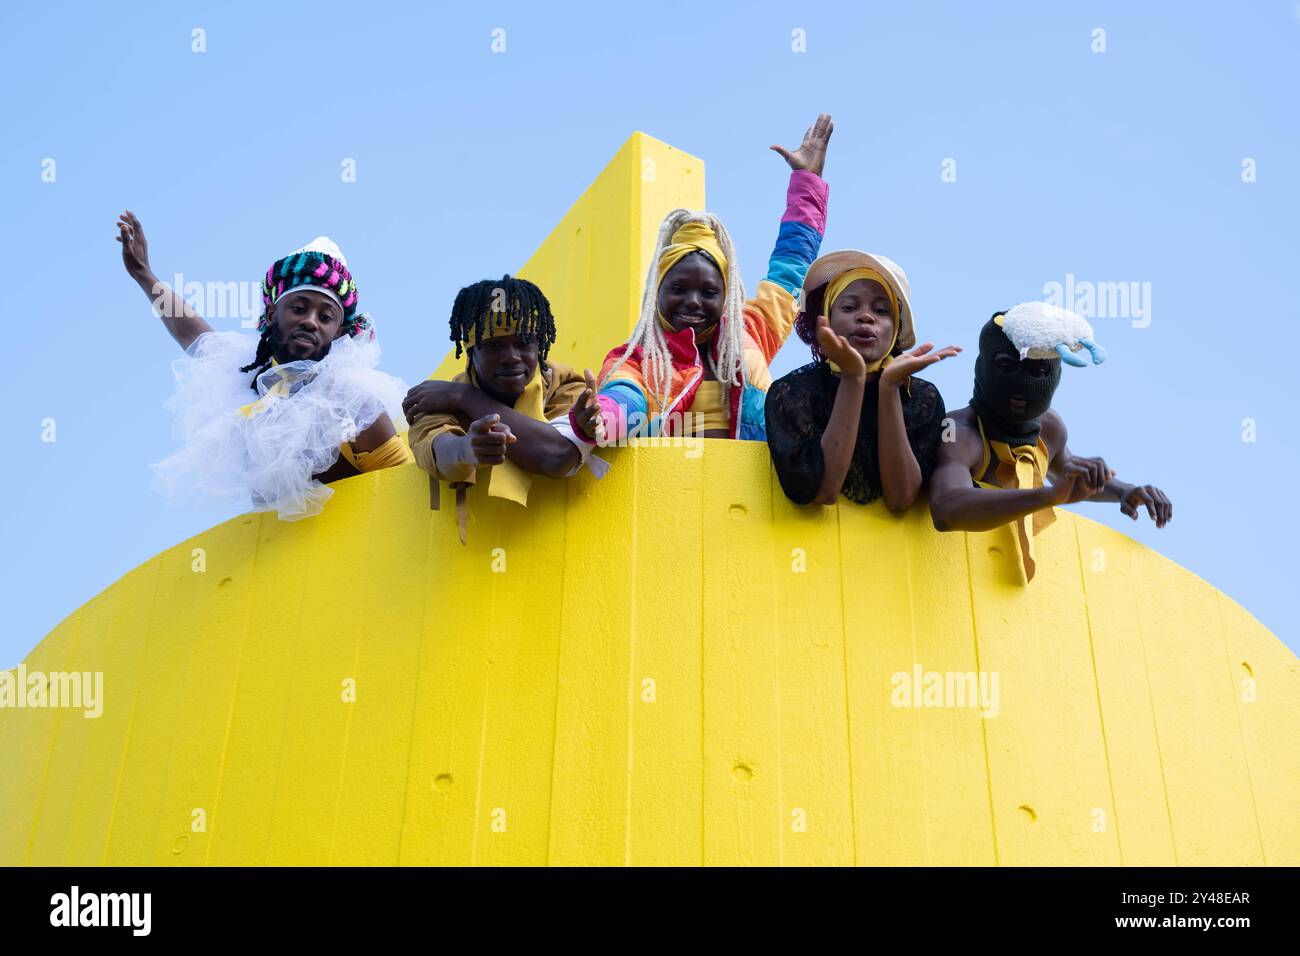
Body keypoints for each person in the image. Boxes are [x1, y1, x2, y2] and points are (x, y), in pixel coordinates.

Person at [117, 211, 411, 519]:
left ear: (338, 332)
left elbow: (405, 490)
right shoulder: (248, 380)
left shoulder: (353, 403)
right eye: (299, 308)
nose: (310, 322)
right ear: (271, 315)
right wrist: (144, 275)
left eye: (325, 317)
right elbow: (194, 336)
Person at [570, 114, 834, 446]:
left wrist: (807, 181)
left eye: (709, 291)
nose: (693, 301)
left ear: (727, 297)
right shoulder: (636, 359)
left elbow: (791, 266)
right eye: (679, 288)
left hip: (751, 495)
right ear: (656, 292)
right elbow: (624, 398)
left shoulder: (750, 334)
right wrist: (600, 415)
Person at [928, 302, 1172, 580]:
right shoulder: (956, 430)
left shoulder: (1049, 428)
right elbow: (947, 507)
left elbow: (1066, 471)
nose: (1021, 384)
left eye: (1039, 372)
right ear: (982, 367)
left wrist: (1124, 491)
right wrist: (1046, 497)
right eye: (1006, 366)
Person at [403, 276, 608, 540]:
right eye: (494, 345)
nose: (511, 356)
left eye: (524, 343)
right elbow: (440, 454)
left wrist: (468, 398)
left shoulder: (564, 384)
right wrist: (467, 450)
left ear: (539, 345)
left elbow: (558, 456)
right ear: (470, 350)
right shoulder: (436, 400)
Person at [765, 251, 960, 510]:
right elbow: (823, 491)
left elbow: (901, 499)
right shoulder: (791, 392)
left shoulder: (922, 397)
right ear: (826, 317)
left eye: (881, 310)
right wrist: (853, 377)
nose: (866, 316)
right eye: (849, 307)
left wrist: (890, 387)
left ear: (896, 328)